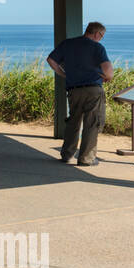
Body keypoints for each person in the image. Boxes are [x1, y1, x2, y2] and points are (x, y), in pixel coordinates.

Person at [46, 21, 114, 166]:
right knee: (92, 123)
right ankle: (85, 158)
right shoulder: (97, 47)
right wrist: (108, 77)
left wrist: (63, 74)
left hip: (74, 90)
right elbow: (107, 69)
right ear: (97, 34)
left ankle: (67, 154)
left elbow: (51, 60)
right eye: (102, 36)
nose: (101, 38)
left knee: (73, 122)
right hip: (93, 89)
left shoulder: (68, 44)